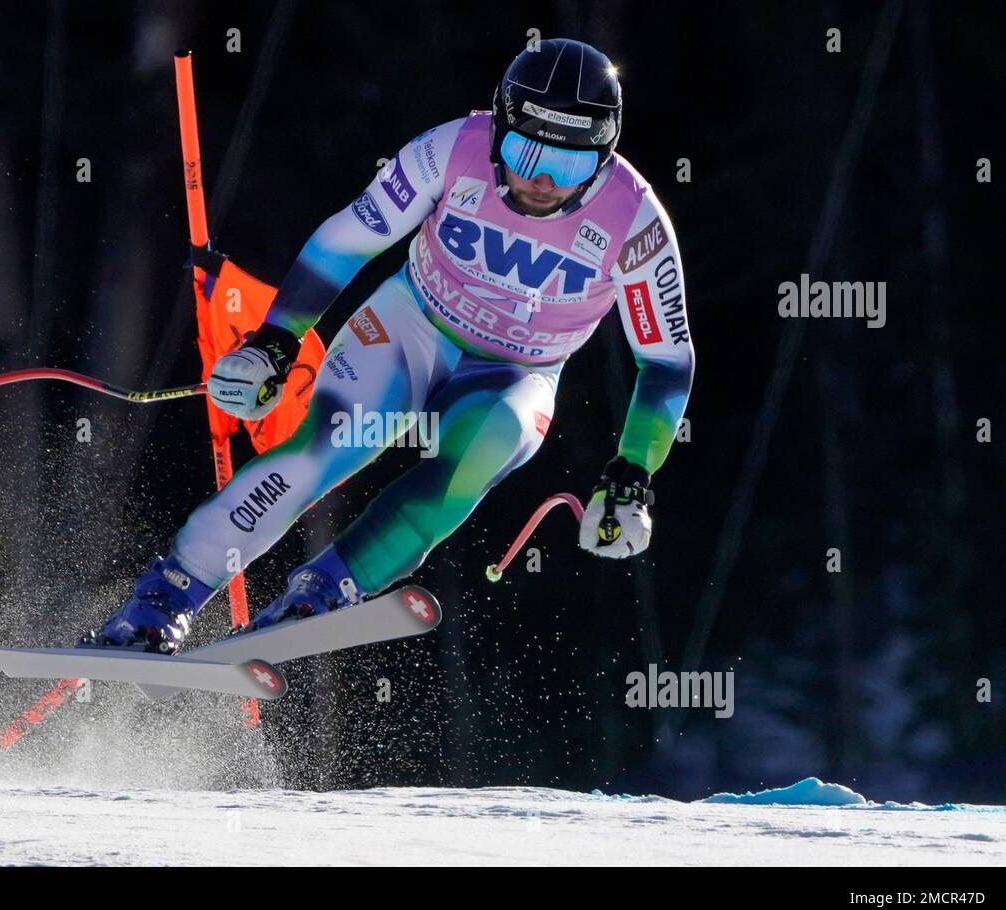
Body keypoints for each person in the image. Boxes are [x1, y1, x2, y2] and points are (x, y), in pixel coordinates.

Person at [85, 37, 694, 653]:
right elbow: (346, 240)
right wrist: (274, 342)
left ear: (604, 156)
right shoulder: (451, 150)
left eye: (568, 166)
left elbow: (667, 362)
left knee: (483, 453)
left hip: (519, 371)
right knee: (328, 443)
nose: (541, 179)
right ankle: (161, 602)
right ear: (498, 128)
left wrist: (632, 474)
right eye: (523, 149)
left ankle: (317, 595)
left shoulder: (635, 221)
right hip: (411, 325)